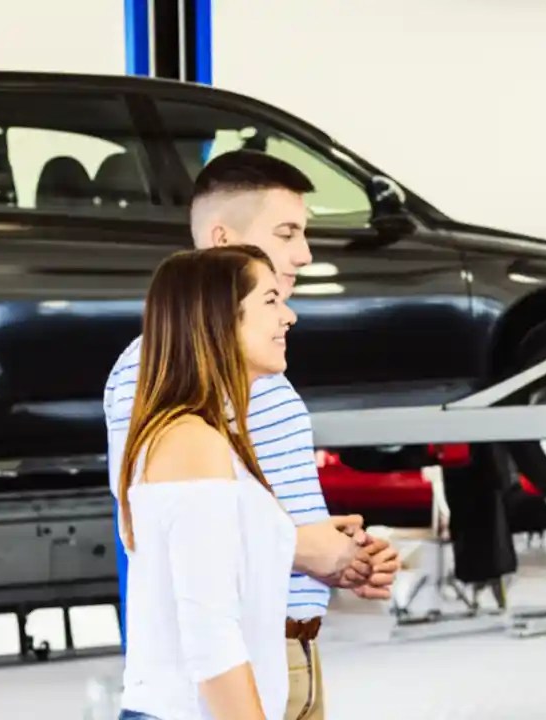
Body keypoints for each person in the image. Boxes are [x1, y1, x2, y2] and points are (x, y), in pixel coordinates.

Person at [105, 150, 399, 720]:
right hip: (230, 673)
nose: (304, 255)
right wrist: (310, 548)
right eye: (285, 233)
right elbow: (168, 546)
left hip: (286, 650)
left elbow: (240, 517)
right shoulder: (162, 383)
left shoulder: (263, 376)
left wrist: (340, 553)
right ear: (222, 241)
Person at [117, 245, 339, 719]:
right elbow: (209, 631)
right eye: (271, 301)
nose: (290, 317)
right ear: (220, 318)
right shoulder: (190, 443)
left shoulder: (204, 435)